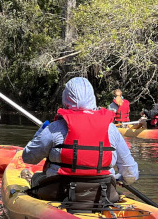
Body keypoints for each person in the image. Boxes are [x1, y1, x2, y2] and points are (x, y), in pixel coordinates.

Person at [22, 77, 138, 205]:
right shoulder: (111, 129)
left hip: (59, 193)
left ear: (65, 98)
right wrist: (120, 178)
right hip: (102, 193)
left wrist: (40, 132)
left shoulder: (54, 128)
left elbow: (28, 157)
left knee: (36, 176)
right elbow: (131, 174)